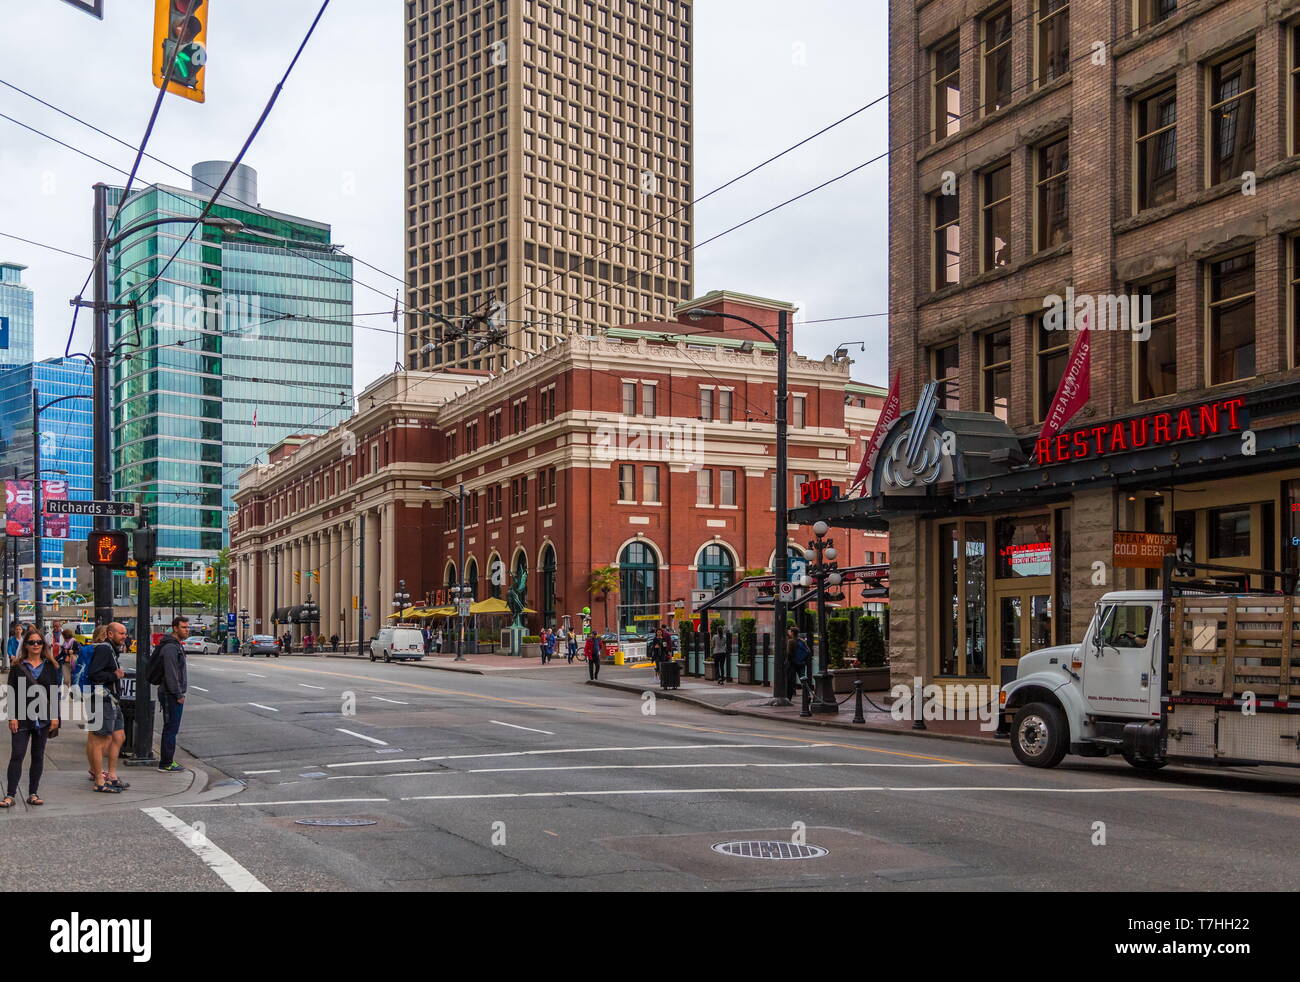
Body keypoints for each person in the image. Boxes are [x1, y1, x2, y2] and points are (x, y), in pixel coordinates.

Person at [1, 628, 61, 808]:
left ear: (44, 645)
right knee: (17, 755)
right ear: (25, 645)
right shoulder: (18, 666)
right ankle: (10, 795)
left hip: (43, 718)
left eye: (39, 642)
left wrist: (55, 717)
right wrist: (12, 716)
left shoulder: (51, 666)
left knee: (38, 756)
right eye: (32, 642)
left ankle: (33, 793)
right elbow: (11, 693)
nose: (36, 645)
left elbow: (54, 693)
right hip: (21, 717)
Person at [85, 622, 129, 793]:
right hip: (102, 699)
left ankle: (111, 775)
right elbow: (94, 674)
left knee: (119, 736)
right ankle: (99, 780)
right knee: (100, 740)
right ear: (110, 634)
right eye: (121, 633)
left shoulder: (111, 649)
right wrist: (114, 675)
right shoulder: (104, 649)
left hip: (111, 700)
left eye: (125, 633)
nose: (124, 636)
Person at [153, 616, 188, 774]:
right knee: (170, 729)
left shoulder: (174, 645)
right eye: (183, 627)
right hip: (170, 693)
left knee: (171, 728)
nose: (187, 630)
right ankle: (166, 763)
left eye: (187, 627)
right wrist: (178, 693)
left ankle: (167, 761)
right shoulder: (170, 648)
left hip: (170, 692)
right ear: (175, 628)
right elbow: (171, 672)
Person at [786, 627, 811, 700]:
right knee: (803, 680)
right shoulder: (802, 641)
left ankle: (789, 698)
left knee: (790, 682)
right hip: (801, 664)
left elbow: (789, 653)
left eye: (790, 632)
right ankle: (808, 695)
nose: (790, 633)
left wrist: (788, 662)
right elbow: (808, 651)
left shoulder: (790, 641)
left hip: (792, 664)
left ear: (793, 633)